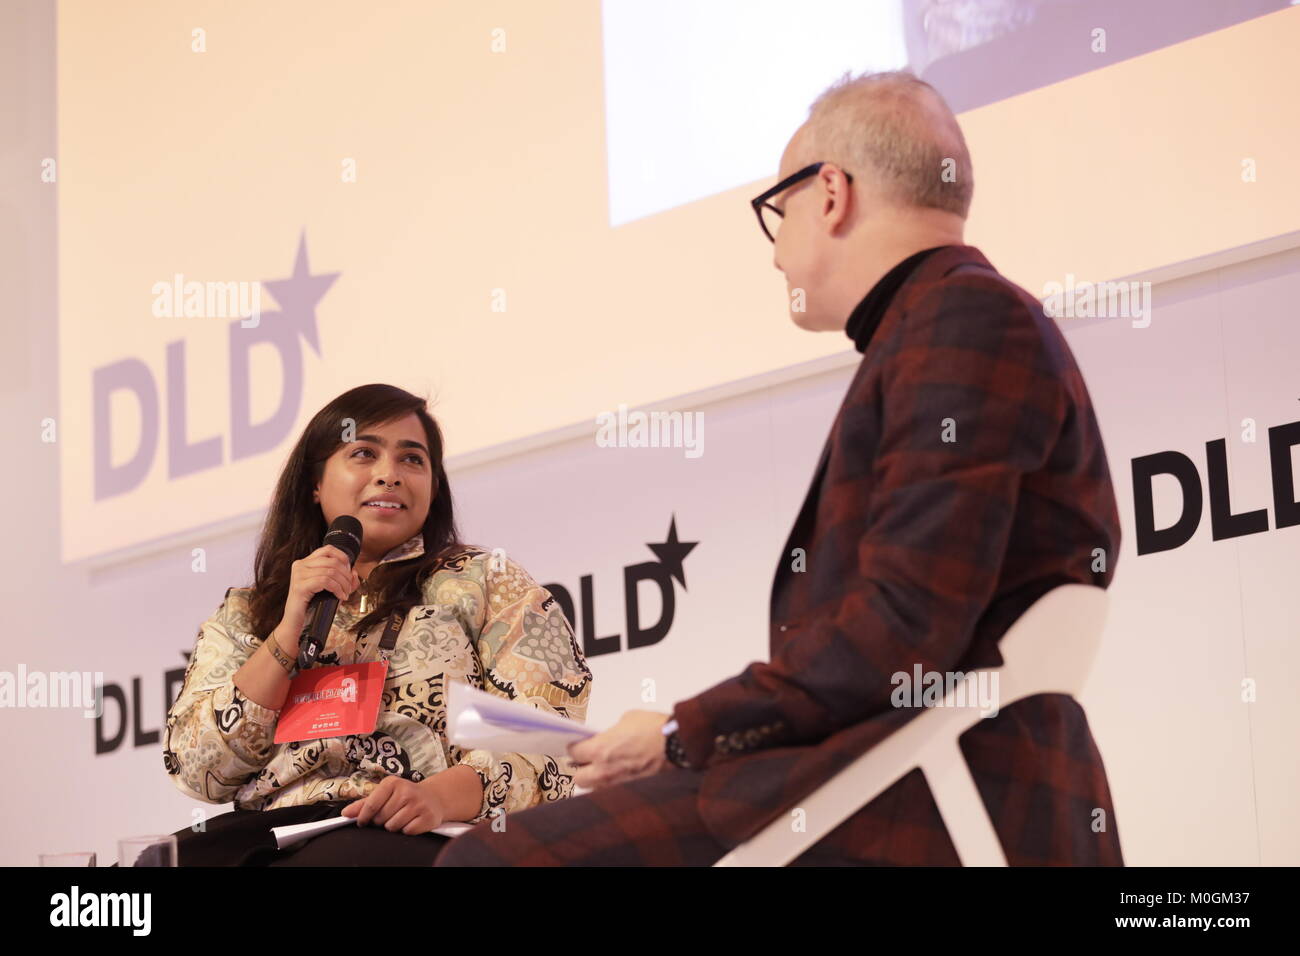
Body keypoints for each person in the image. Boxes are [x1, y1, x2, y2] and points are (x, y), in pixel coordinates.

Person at [435, 70, 1124, 866]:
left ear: (830, 193)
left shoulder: (963, 318)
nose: (776, 257)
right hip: (899, 768)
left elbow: (898, 631)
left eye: (779, 211)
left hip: (922, 784)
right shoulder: (944, 320)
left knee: (487, 862)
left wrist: (675, 733)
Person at [162, 383, 592, 865]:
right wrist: (286, 632)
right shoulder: (249, 611)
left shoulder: (487, 582)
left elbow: (547, 742)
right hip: (268, 837)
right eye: (364, 453)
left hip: (415, 834)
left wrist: (436, 798)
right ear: (316, 483)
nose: (389, 474)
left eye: (412, 459)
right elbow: (197, 768)